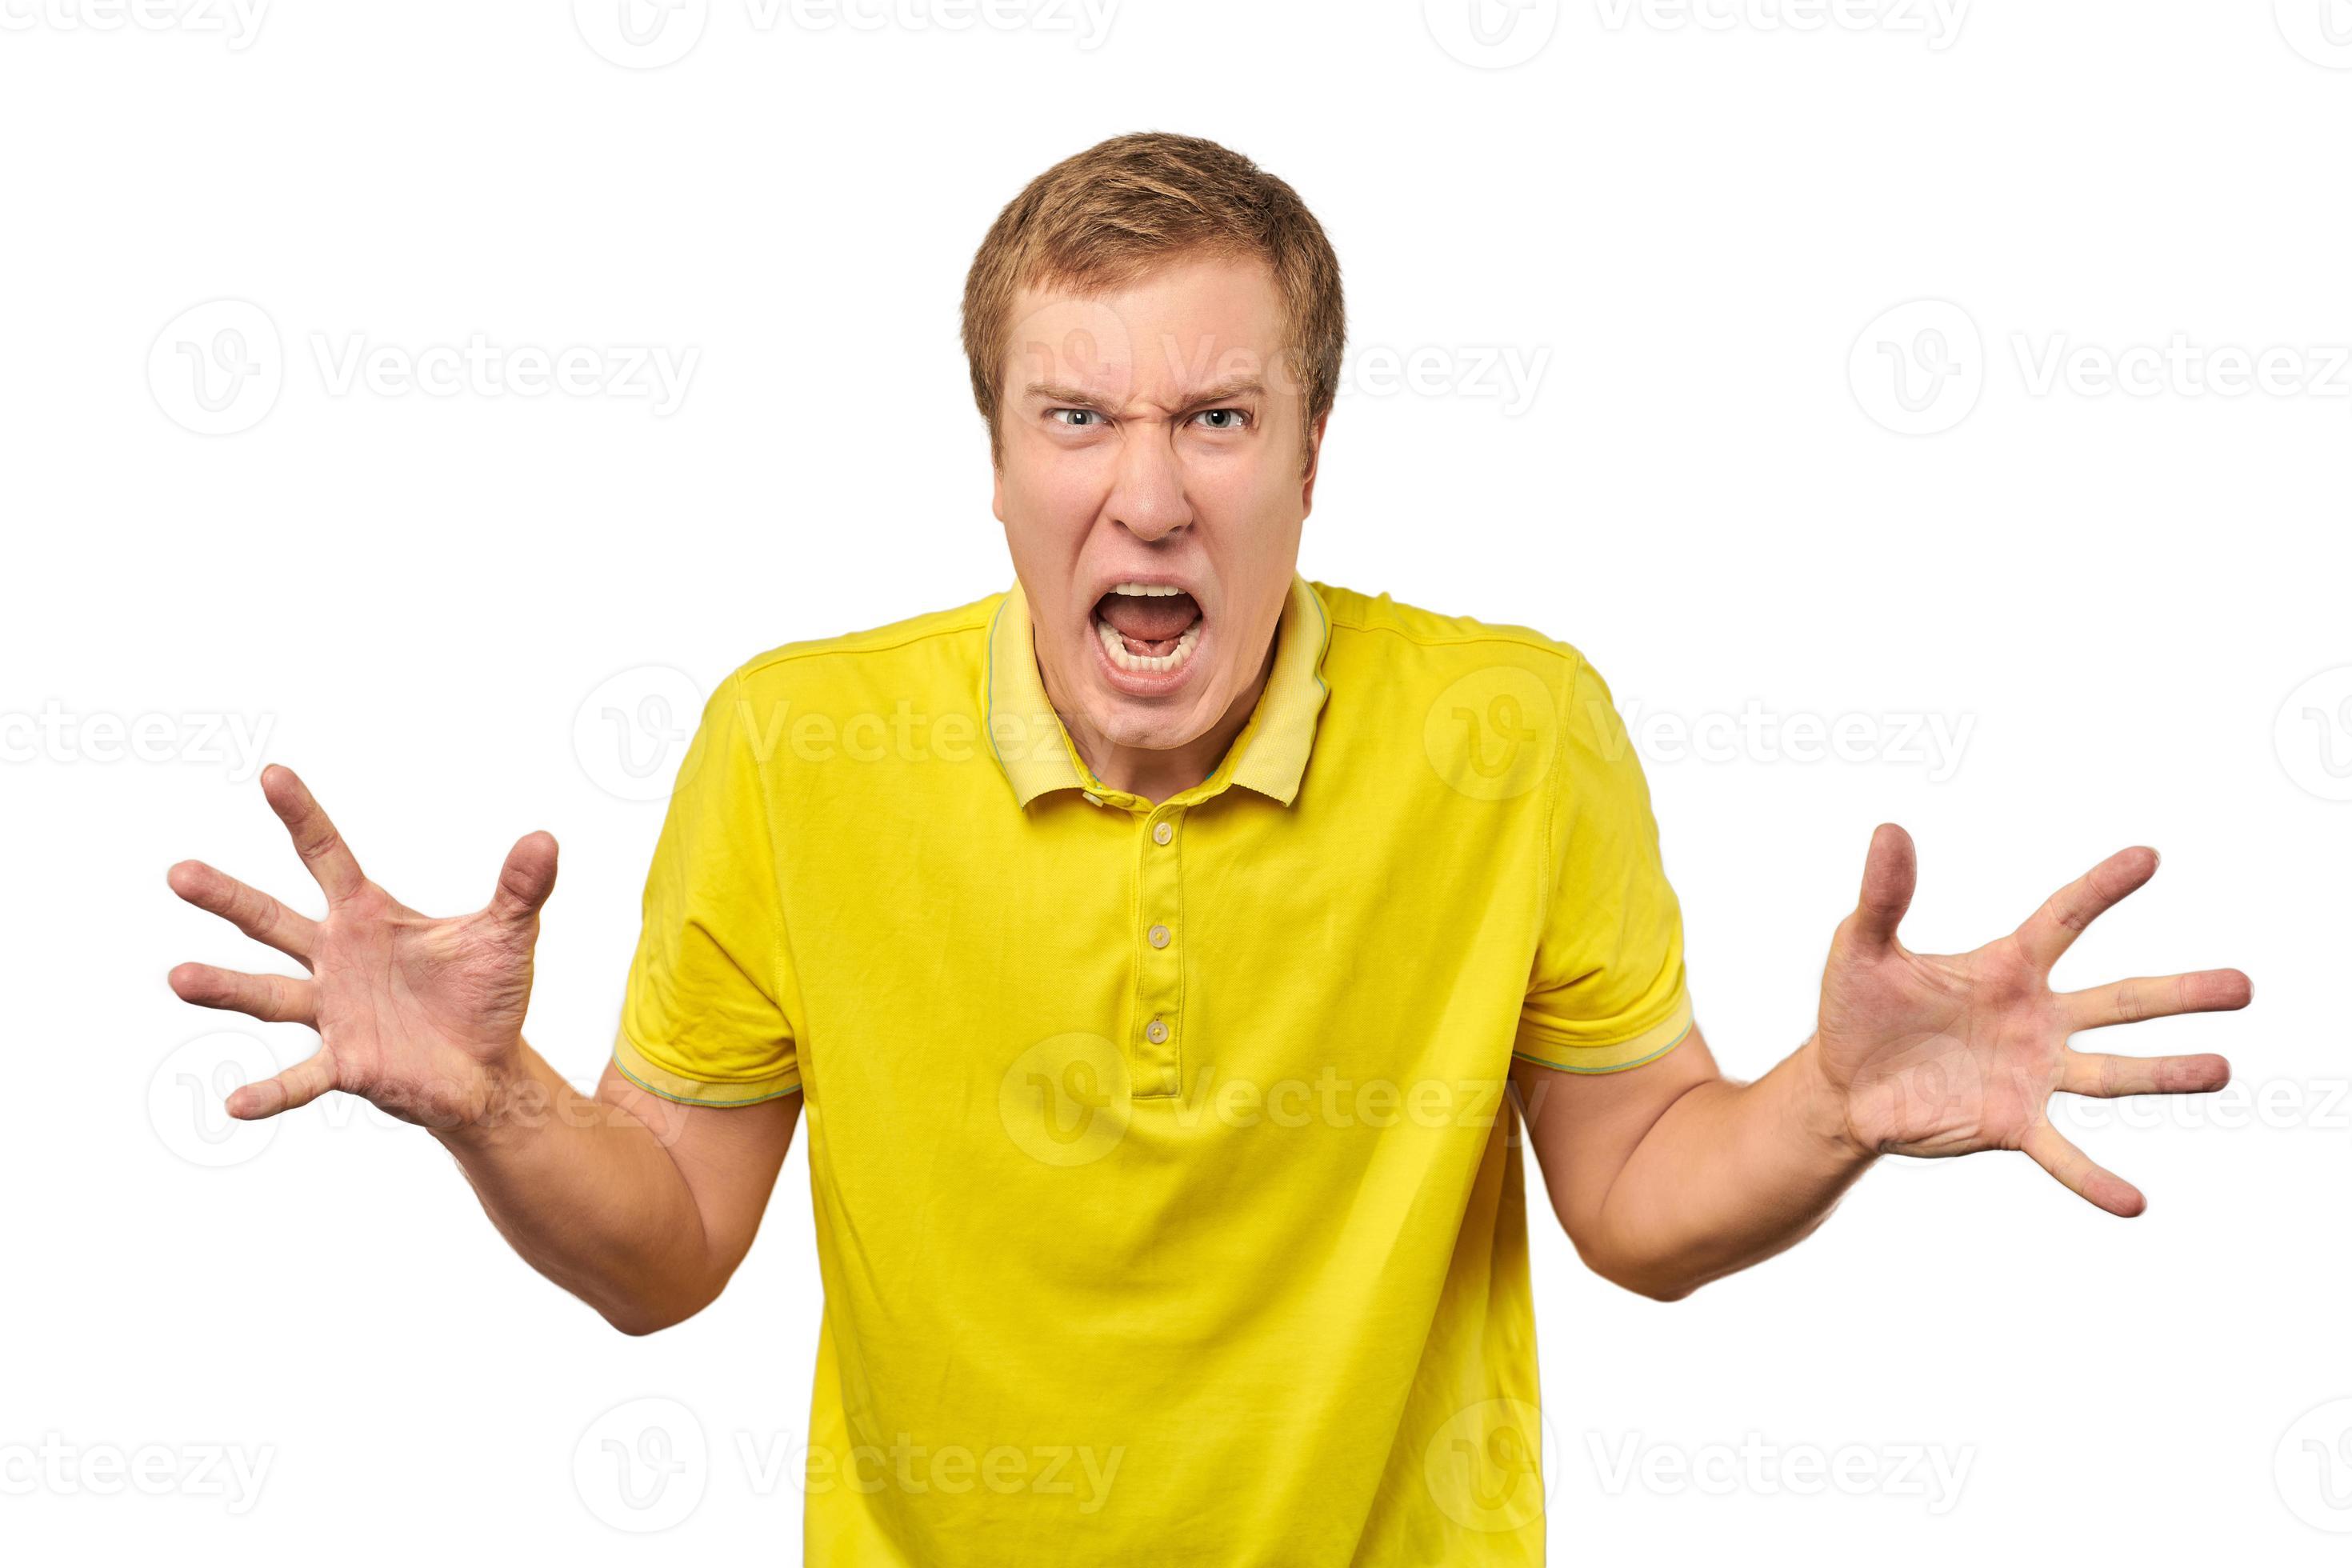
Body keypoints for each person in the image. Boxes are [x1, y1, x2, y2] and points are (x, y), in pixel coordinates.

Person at [165, 131, 2251, 1566]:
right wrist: (493, 1105)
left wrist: (1834, 1104)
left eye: (1217, 419)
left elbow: (1633, 1198)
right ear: (996, 462)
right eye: (1077, 417)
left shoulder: (1509, 734)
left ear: (1311, 456)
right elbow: (668, 1248)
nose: (1148, 495)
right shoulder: (794, 748)